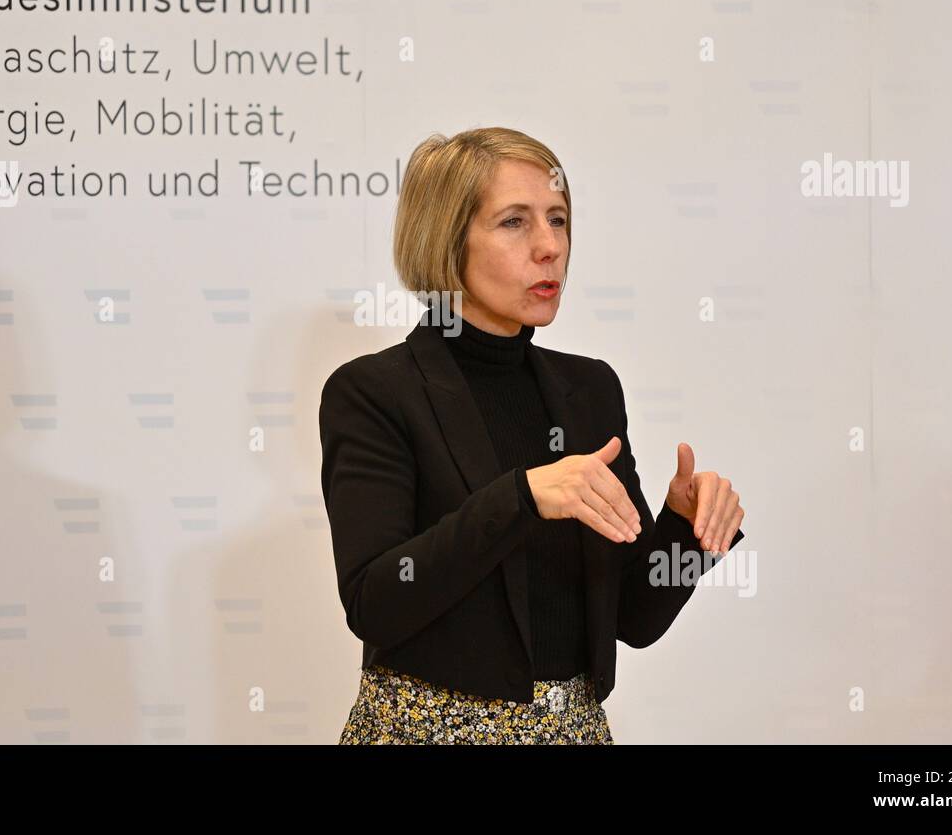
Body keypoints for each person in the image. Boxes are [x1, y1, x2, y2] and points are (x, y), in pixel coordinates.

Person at [318, 127, 747, 744]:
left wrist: (687, 532)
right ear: (447, 239)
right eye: (514, 222)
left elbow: (632, 617)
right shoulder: (375, 392)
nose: (550, 247)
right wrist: (521, 498)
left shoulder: (592, 389)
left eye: (559, 219)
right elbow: (376, 602)